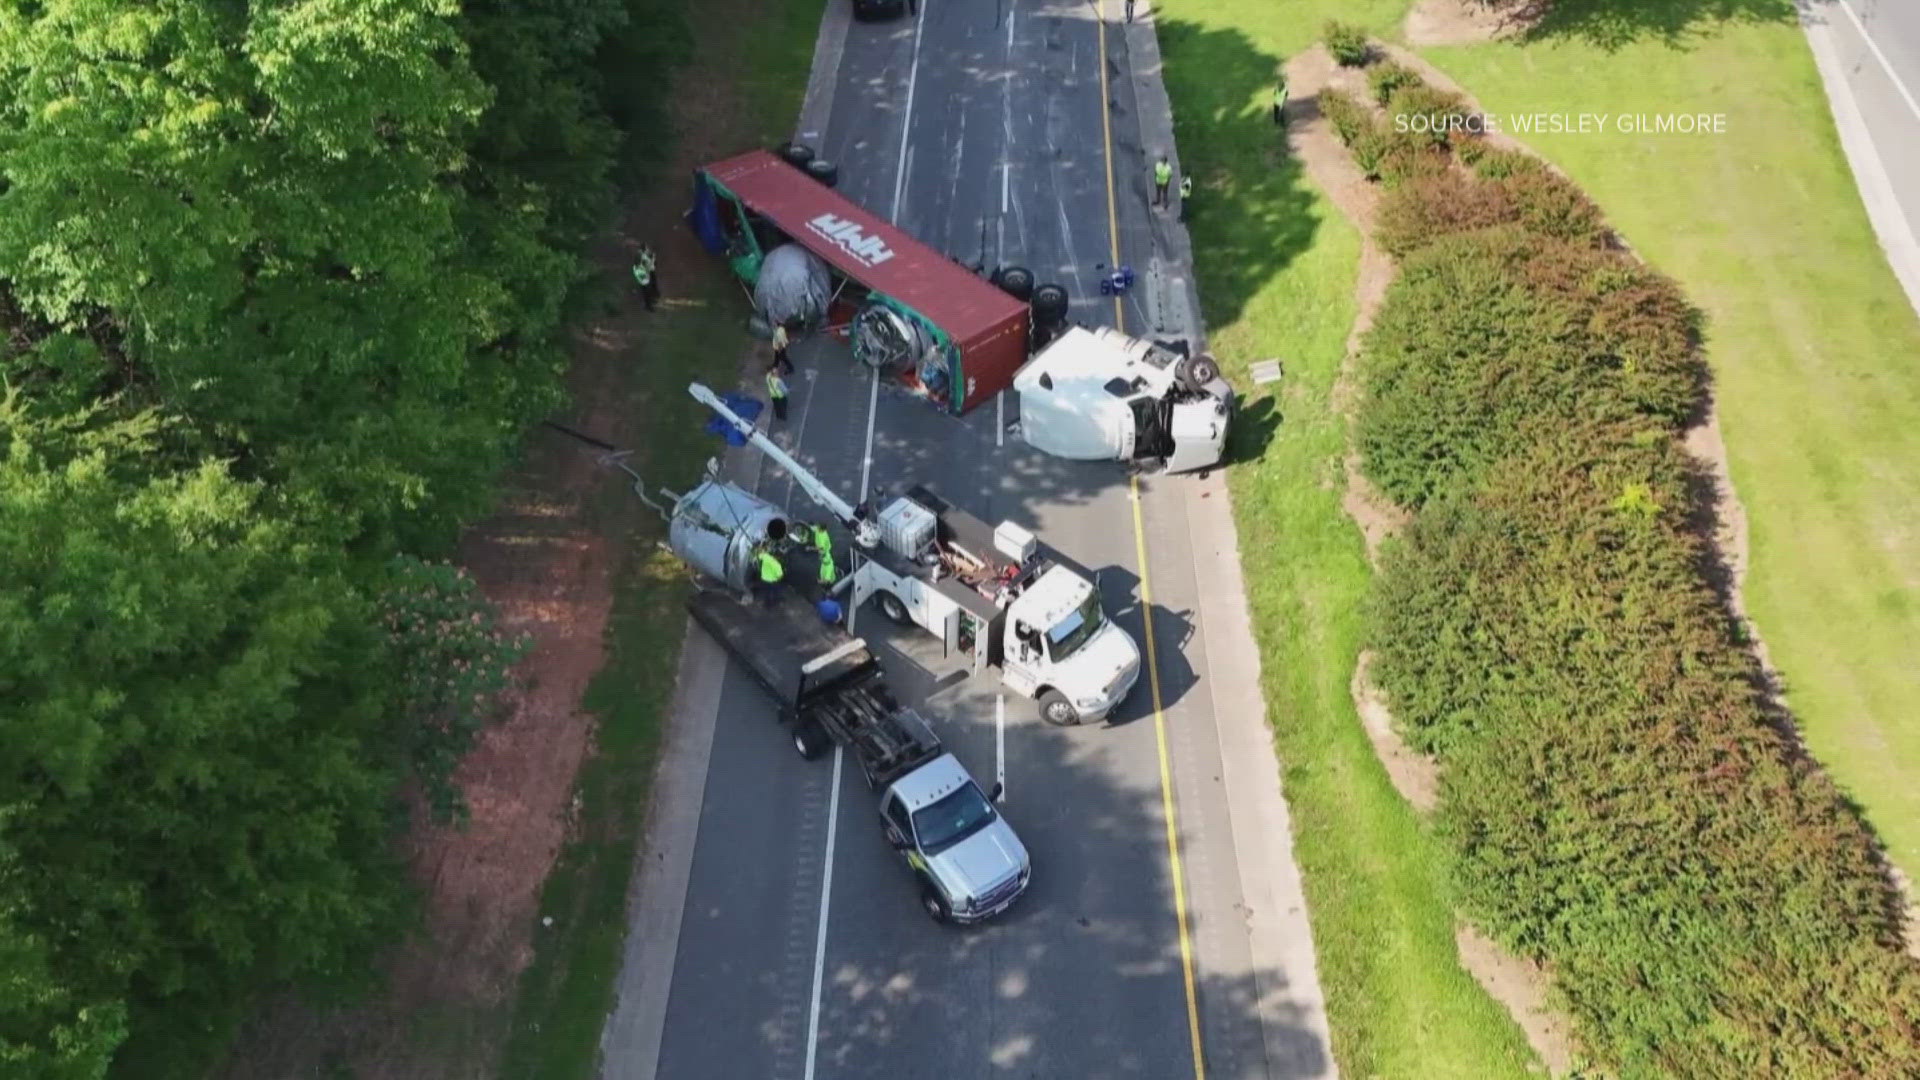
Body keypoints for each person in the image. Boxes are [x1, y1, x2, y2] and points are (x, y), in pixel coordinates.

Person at [632, 246, 659, 310]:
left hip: (646, 274)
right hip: (645, 274)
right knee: (647, 289)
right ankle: (650, 302)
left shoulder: (643, 256)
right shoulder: (644, 256)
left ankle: (650, 301)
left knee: (647, 289)